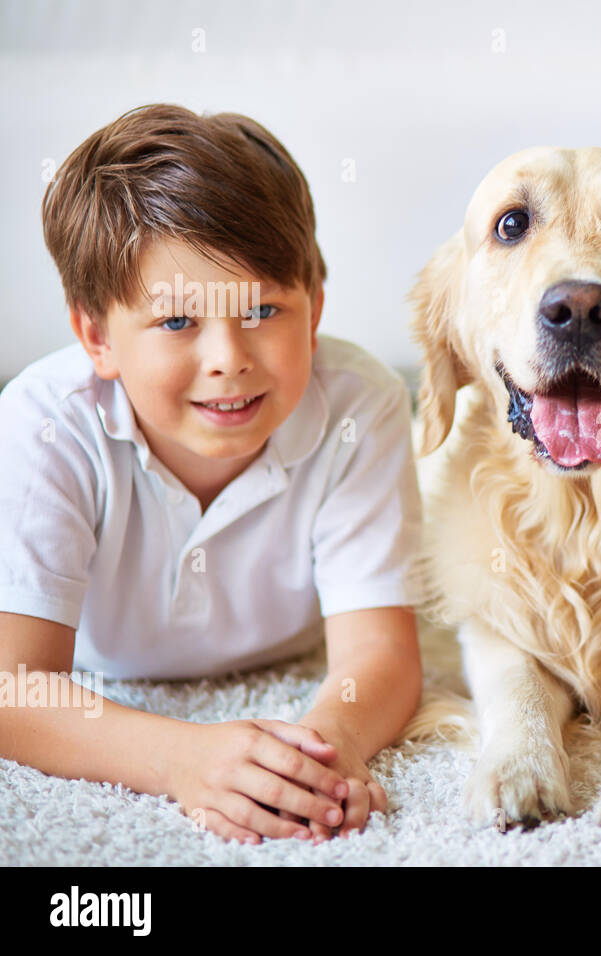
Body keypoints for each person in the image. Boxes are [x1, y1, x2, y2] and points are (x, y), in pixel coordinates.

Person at [0, 104, 424, 845]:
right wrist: (181, 756)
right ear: (97, 337)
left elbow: (380, 653)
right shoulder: (48, 419)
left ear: (315, 308)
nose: (229, 357)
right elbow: (16, 689)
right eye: (177, 322)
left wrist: (323, 752)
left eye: (262, 308)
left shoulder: (363, 404)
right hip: (105, 662)